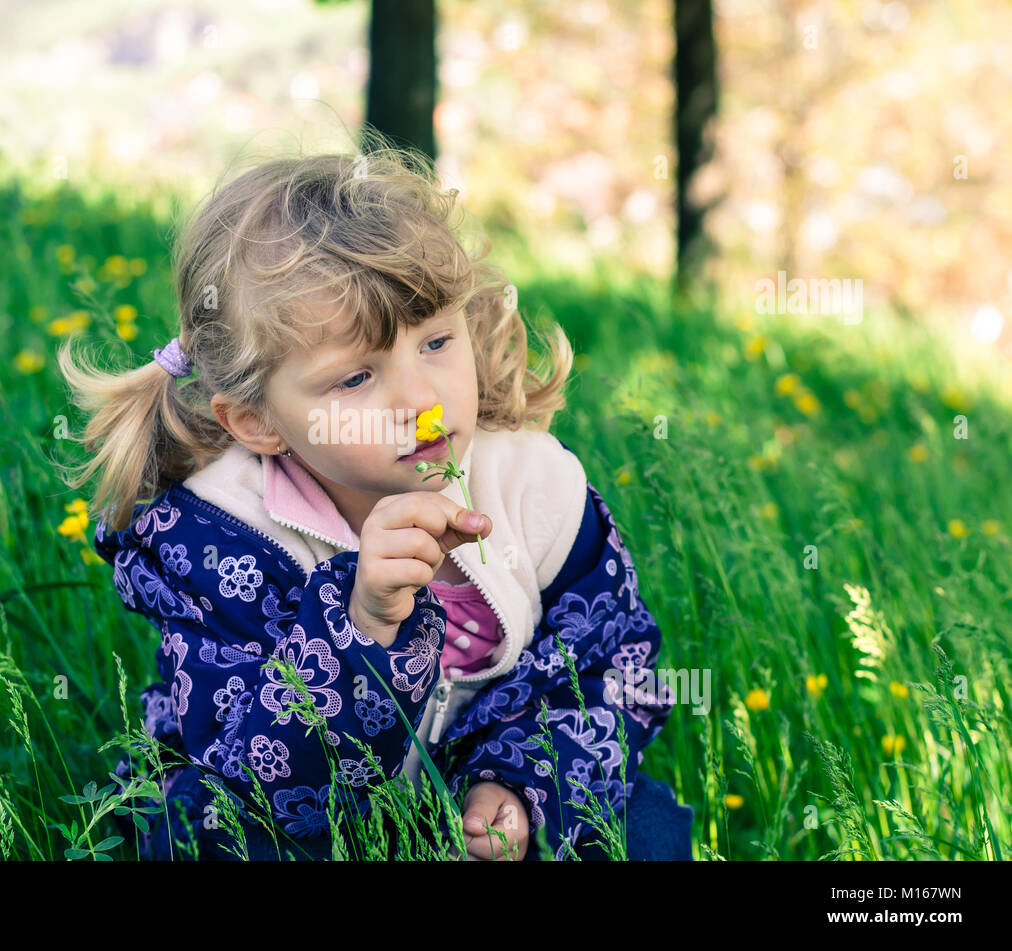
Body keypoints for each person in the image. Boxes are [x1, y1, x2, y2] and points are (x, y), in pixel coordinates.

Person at [56, 142, 693, 861]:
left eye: (437, 342)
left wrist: (516, 785)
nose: (419, 401)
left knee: (650, 831)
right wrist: (364, 622)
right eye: (355, 379)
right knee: (209, 837)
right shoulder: (220, 539)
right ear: (259, 420)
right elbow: (264, 780)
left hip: (471, 792)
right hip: (306, 815)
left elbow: (613, 666)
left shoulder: (532, 486)